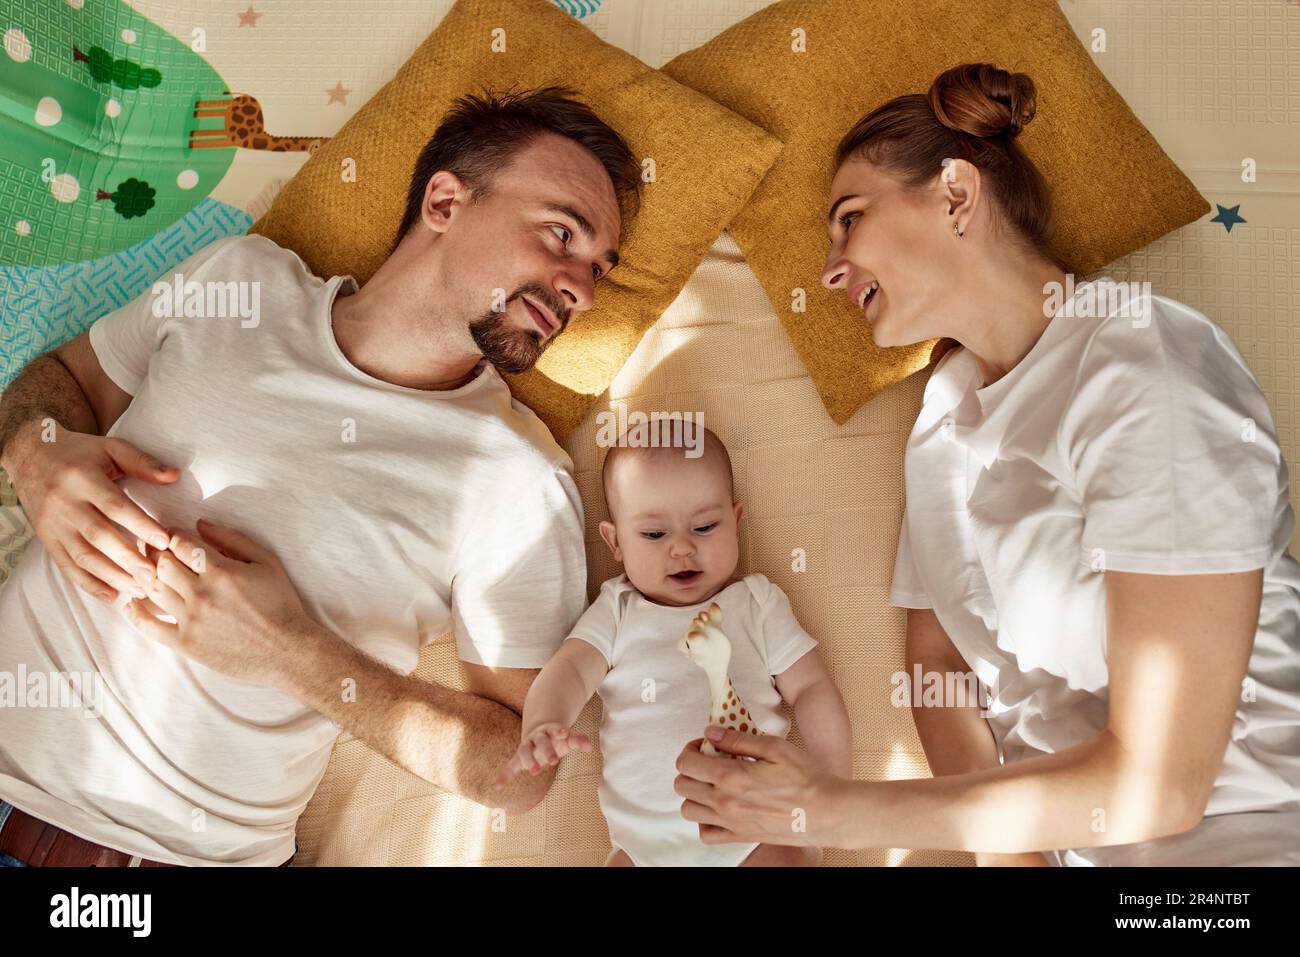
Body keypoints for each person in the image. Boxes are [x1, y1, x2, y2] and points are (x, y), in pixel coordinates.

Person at [671, 63, 1300, 866]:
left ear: (957, 195)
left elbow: (1163, 785)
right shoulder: (942, 419)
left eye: (849, 219)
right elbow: (937, 661)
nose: (830, 269)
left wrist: (829, 810)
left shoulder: (1142, 365)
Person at [0, 86, 639, 866]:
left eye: (598, 266)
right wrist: (34, 454)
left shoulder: (517, 480)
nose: (583, 287)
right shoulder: (238, 282)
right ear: (445, 201)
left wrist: (287, 650)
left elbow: (517, 769)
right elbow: (64, 379)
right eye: (561, 234)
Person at [495, 426, 849, 866]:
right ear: (615, 541)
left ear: (736, 523)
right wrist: (544, 722)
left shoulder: (756, 604)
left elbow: (812, 687)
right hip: (644, 846)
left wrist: (832, 782)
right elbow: (569, 670)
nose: (682, 547)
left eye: (705, 526)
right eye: (654, 535)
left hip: (758, 829)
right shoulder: (617, 611)